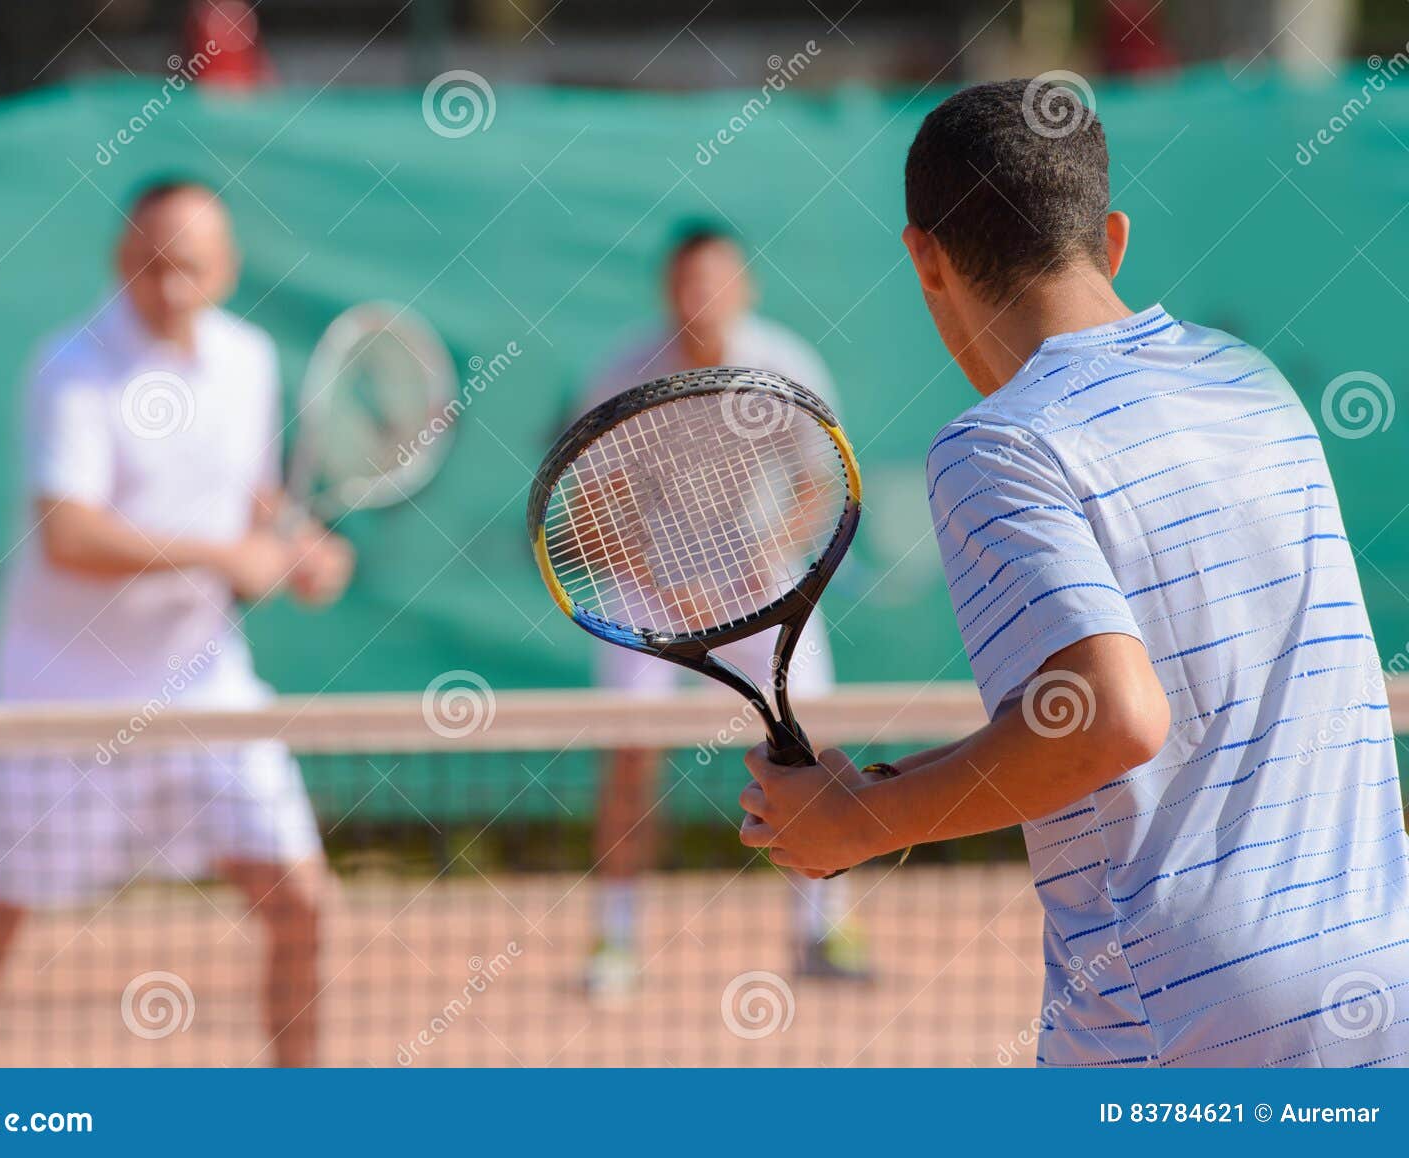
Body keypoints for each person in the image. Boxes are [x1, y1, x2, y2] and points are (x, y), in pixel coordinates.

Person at [738, 79, 1409, 1066]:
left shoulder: (997, 445)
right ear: (1113, 240)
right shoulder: (1249, 382)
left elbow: (1109, 719)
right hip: (1379, 979)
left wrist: (861, 826)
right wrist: (874, 791)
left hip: (1184, 1023)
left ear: (925, 260)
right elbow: (1117, 717)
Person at [0, 179, 352, 1067]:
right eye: (151, 265)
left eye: (191, 267)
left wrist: (298, 546)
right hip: (60, 692)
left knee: (302, 906)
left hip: (203, 684)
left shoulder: (250, 360)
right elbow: (68, 535)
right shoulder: (69, 366)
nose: (170, 286)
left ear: (227, 270)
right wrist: (225, 557)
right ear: (120, 261)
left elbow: (252, 496)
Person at [580, 223, 871, 996]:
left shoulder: (785, 367)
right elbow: (593, 507)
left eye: (716, 283)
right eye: (687, 284)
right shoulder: (623, 374)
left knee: (811, 743)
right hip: (649, 591)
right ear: (667, 292)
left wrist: (767, 558)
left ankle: (824, 928)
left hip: (764, 589)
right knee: (631, 752)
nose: (701, 299)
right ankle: (614, 941)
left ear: (745, 290)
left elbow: (819, 484)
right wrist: (661, 582)